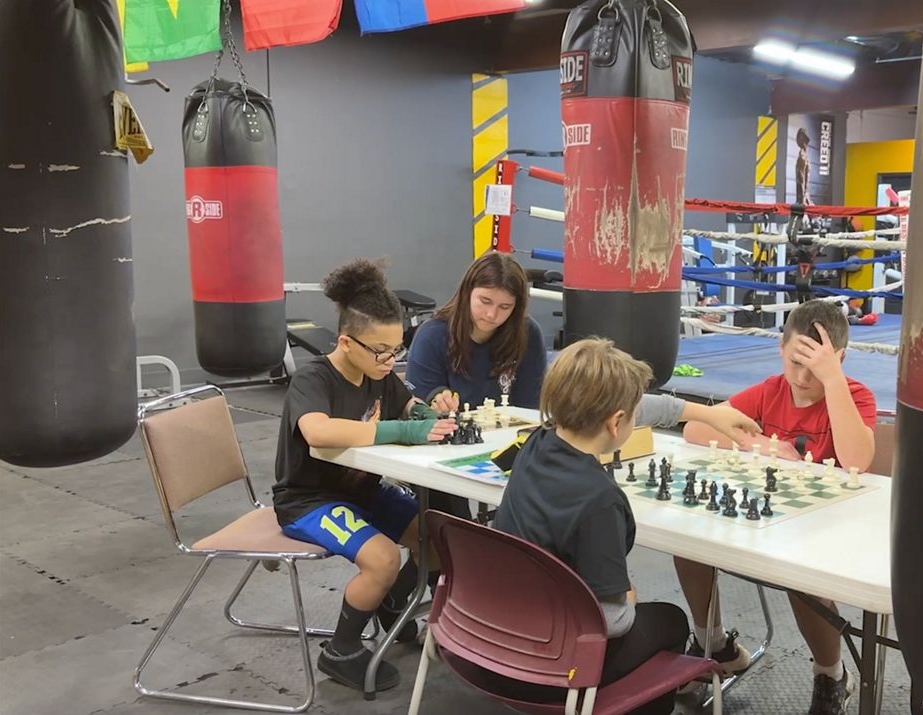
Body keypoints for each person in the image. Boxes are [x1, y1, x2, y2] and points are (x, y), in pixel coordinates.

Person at [490, 339, 760, 714]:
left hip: (501, 640)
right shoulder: (599, 500)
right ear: (617, 423)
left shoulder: (535, 443)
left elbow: (621, 405)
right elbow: (615, 621)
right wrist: (629, 593)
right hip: (558, 664)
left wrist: (706, 414)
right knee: (670, 620)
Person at [676, 300, 877, 715]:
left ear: (838, 360)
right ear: (780, 349)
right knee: (689, 539)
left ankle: (831, 675)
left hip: (833, 531)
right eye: (794, 362)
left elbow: (857, 460)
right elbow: (696, 427)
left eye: (816, 368)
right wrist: (759, 443)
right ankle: (712, 642)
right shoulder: (770, 391)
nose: (803, 379)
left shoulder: (855, 395)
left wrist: (833, 380)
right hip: (771, 522)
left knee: (802, 577)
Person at [272, 259, 457, 692]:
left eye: (397, 350)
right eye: (381, 351)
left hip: (363, 494)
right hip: (307, 501)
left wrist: (431, 409)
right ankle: (342, 651)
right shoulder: (315, 379)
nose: (390, 360)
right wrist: (402, 430)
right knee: (383, 559)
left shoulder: (381, 374)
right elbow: (317, 430)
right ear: (345, 342)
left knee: (440, 539)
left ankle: (393, 601)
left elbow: (410, 406)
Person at [406, 251, 546, 413]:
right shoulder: (432, 336)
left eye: (505, 307)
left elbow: (531, 408)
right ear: (467, 292)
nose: (491, 314)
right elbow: (415, 408)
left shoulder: (528, 333)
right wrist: (435, 400)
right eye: (485, 301)